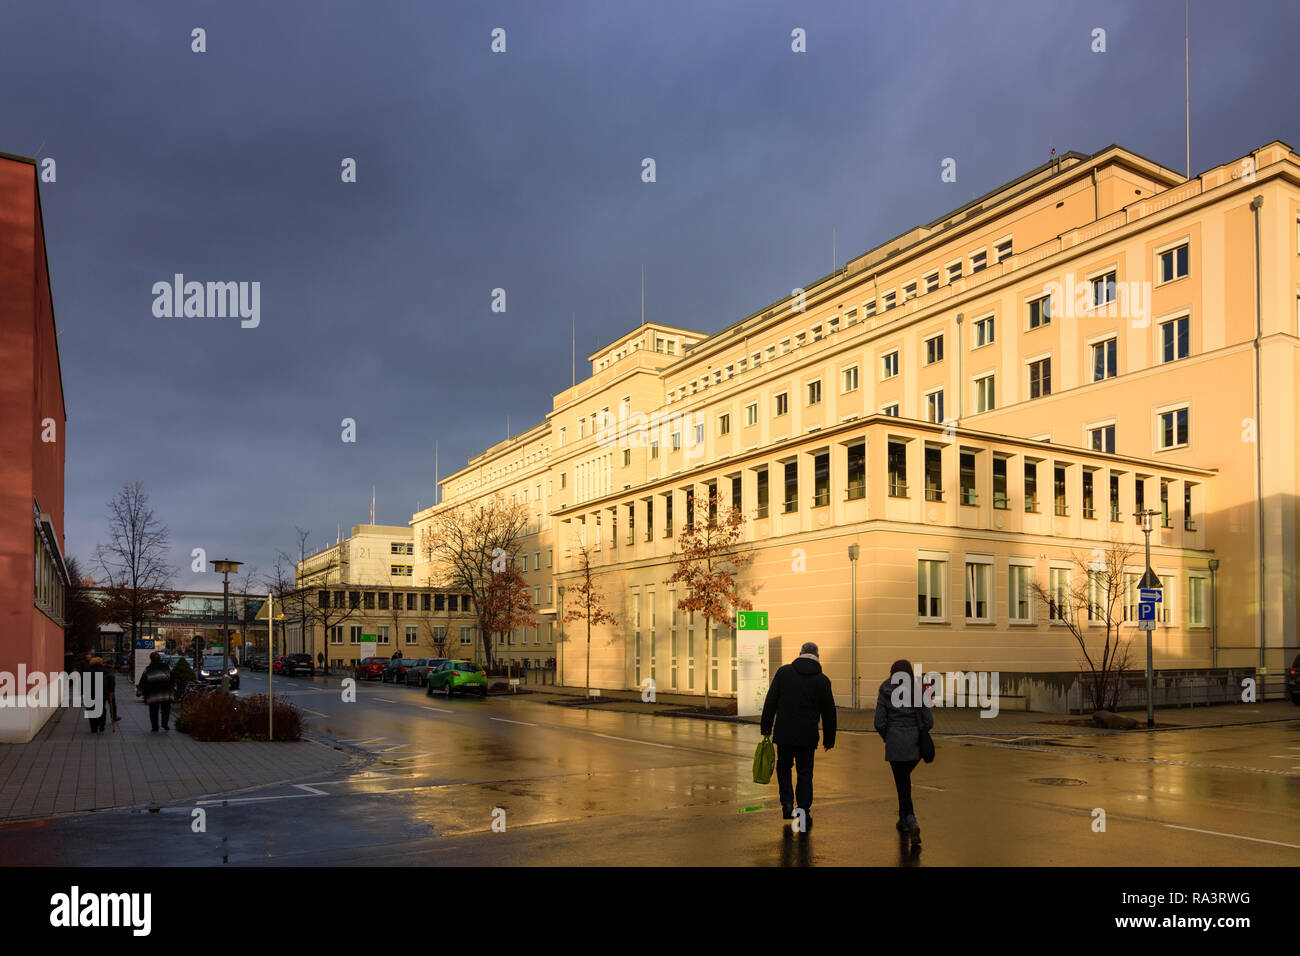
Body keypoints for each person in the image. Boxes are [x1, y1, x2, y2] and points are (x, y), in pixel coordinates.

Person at [759, 641, 837, 827]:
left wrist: (766, 728)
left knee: (784, 767)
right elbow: (829, 712)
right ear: (817, 656)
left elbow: (771, 701)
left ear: (800, 653)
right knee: (804, 772)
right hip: (807, 736)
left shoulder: (784, 673)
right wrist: (829, 738)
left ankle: (787, 802)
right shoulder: (822, 680)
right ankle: (803, 812)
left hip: (784, 733)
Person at [874, 659, 934, 845]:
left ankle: (911, 819)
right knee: (903, 782)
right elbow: (929, 721)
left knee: (902, 783)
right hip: (914, 745)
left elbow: (879, 722)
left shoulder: (885, 690)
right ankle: (904, 819)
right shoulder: (918, 690)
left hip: (895, 744)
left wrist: (888, 736)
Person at [137, 651, 174, 732]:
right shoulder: (167, 667)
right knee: (166, 709)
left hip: (153, 693)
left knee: (153, 710)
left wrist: (139, 692)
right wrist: (173, 688)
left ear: (151, 659)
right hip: (165, 692)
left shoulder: (148, 669)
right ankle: (165, 724)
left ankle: (155, 727)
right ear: (160, 658)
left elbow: (143, 681)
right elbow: (172, 679)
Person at [83, 658, 108, 733]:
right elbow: (110, 681)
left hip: (90, 693)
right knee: (102, 708)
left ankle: (94, 728)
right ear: (101, 662)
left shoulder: (87, 671)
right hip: (102, 692)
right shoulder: (105, 671)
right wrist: (110, 691)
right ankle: (101, 724)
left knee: (90, 709)